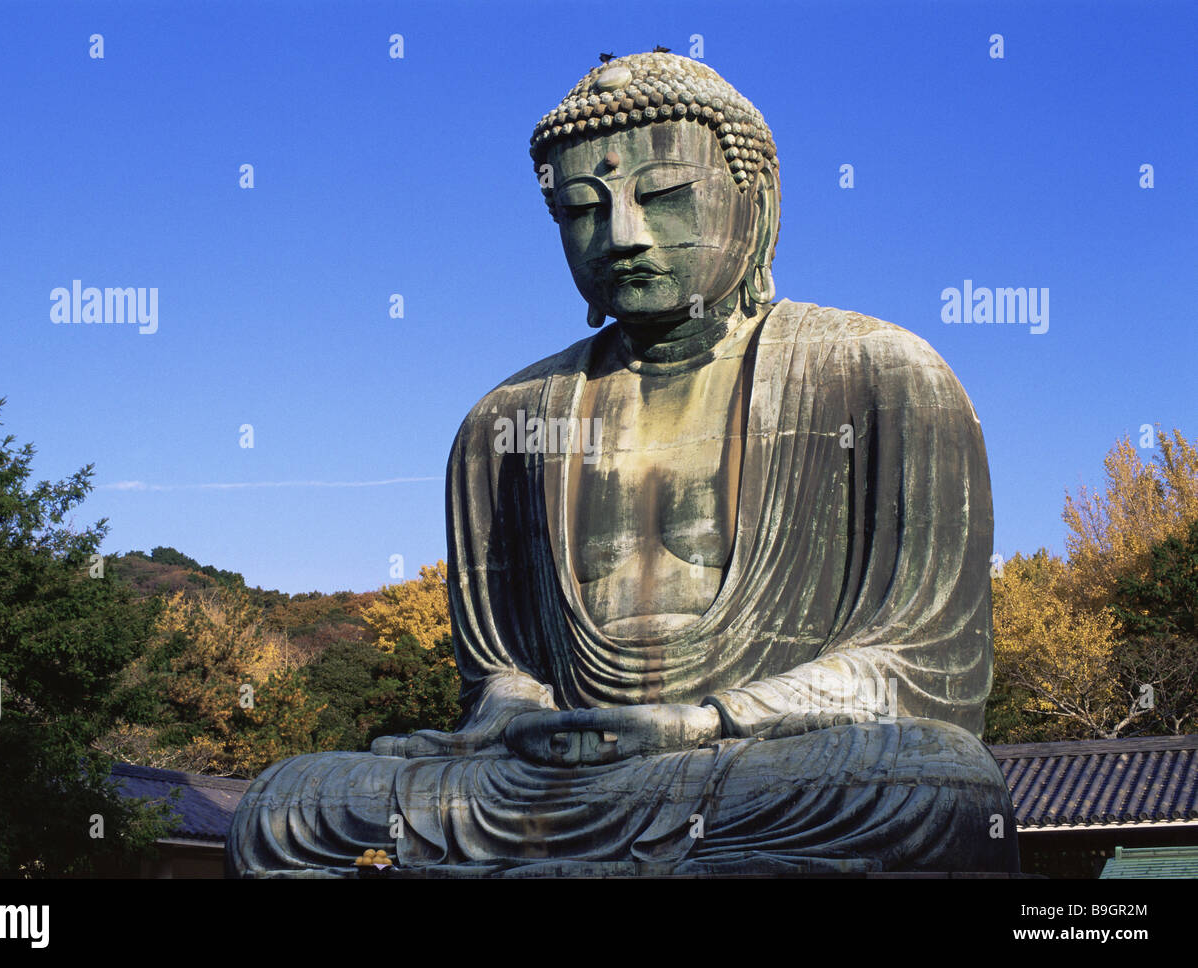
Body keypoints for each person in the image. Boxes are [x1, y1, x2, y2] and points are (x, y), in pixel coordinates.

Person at [226, 52, 1020, 877]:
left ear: (757, 202)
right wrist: (517, 709)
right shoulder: (506, 421)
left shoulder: (878, 374)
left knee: (938, 783)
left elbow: (928, 671)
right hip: (553, 783)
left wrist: (704, 722)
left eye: (666, 195)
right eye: (581, 209)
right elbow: (503, 672)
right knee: (289, 805)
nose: (624, 236)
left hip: (755, 765)